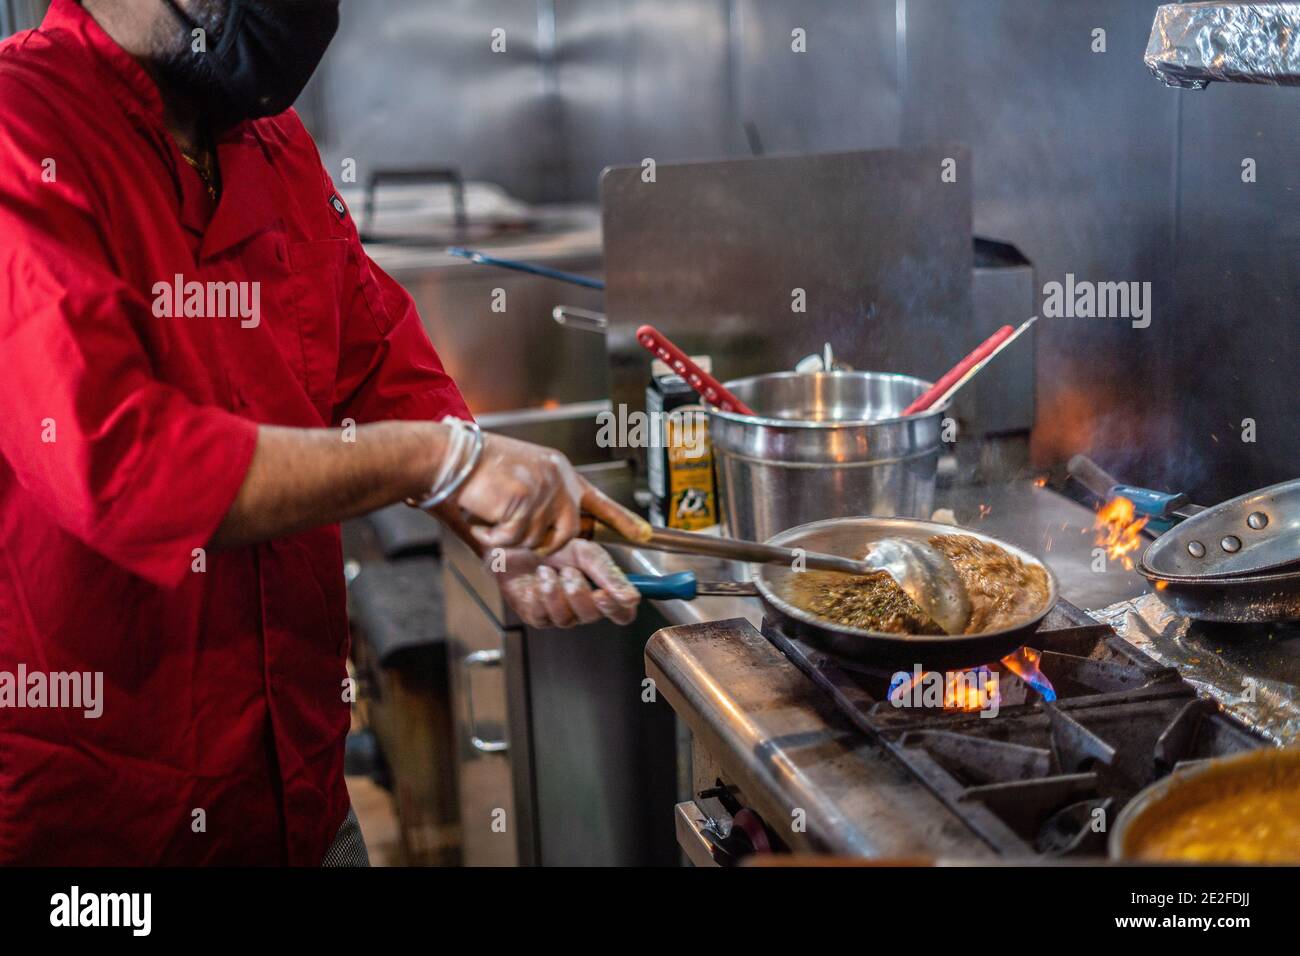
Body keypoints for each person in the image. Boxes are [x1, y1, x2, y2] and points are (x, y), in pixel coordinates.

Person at [0, 0, 647, 865]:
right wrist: (442, 460)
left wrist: (490, 514)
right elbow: (120, 463)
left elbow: (377, 362)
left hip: (300, 797)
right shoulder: (22, 129)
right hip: (110, 827)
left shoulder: (270, 144)